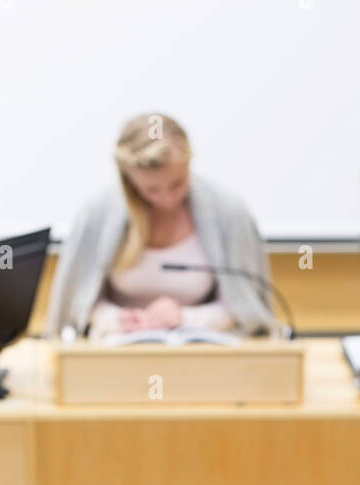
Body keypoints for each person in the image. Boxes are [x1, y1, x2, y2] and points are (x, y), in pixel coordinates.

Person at [43, 113, 275, 339]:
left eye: (177, 184)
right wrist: (117, 320)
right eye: (151, 190)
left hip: (204, 354)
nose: (167, 199)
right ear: (130, 182)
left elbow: (243, 305)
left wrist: (184, 318)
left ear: (189, 163)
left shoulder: (229, 212)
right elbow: (80, 302)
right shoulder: (96, 214)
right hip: (113, 354)